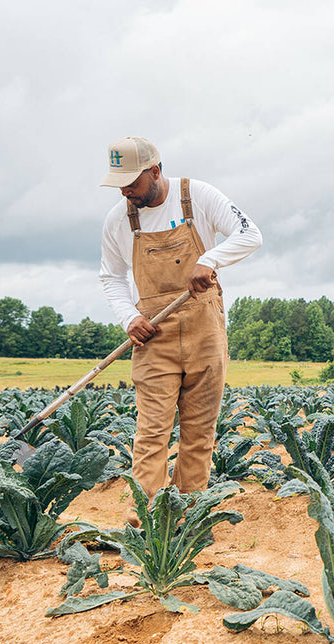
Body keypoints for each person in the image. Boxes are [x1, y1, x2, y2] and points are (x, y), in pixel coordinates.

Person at [98, 136, 262, 521]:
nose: (126, 191)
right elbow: (112, 277)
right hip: (154, 335)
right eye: (119, 183)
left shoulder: (197, 196)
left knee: (199, 431)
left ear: (155, 171)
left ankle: (187, 517)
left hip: (204, 328)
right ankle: (143, 522)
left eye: (132, 182)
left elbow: (250, 233)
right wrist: (128, 317)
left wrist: (210, 259)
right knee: (151, 431)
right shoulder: (119, 219)